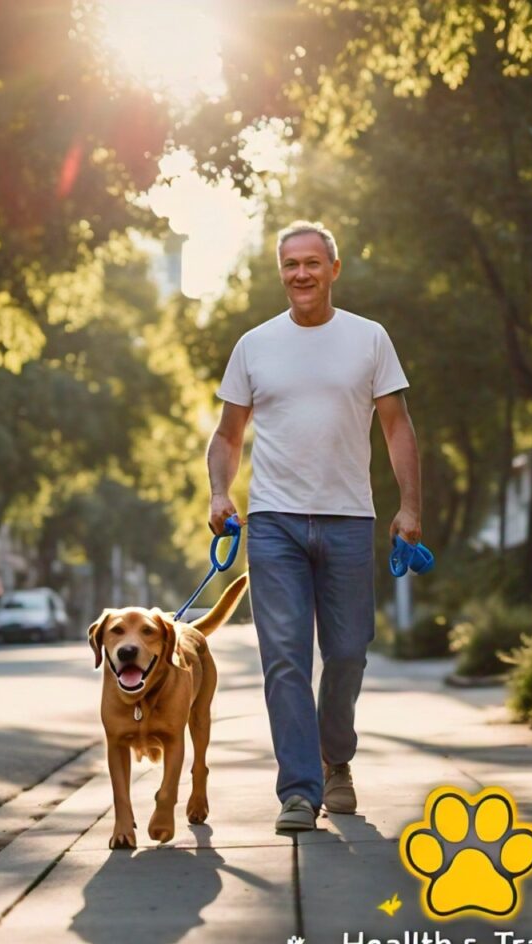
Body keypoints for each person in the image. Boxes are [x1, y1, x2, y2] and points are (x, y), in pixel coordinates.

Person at [207, 220, 422, 833]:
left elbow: (397, 426)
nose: (301, 273)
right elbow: (227, 434)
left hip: (351, 518)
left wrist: (411, 507)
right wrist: (220, 491)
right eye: (290, 264)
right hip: (274, 523)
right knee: (284, 659)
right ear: (282, 272)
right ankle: (298, 791)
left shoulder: (369, 338)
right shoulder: (254, 345)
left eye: (312, 262)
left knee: (349, 652)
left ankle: (337, 760)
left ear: (333, 268)